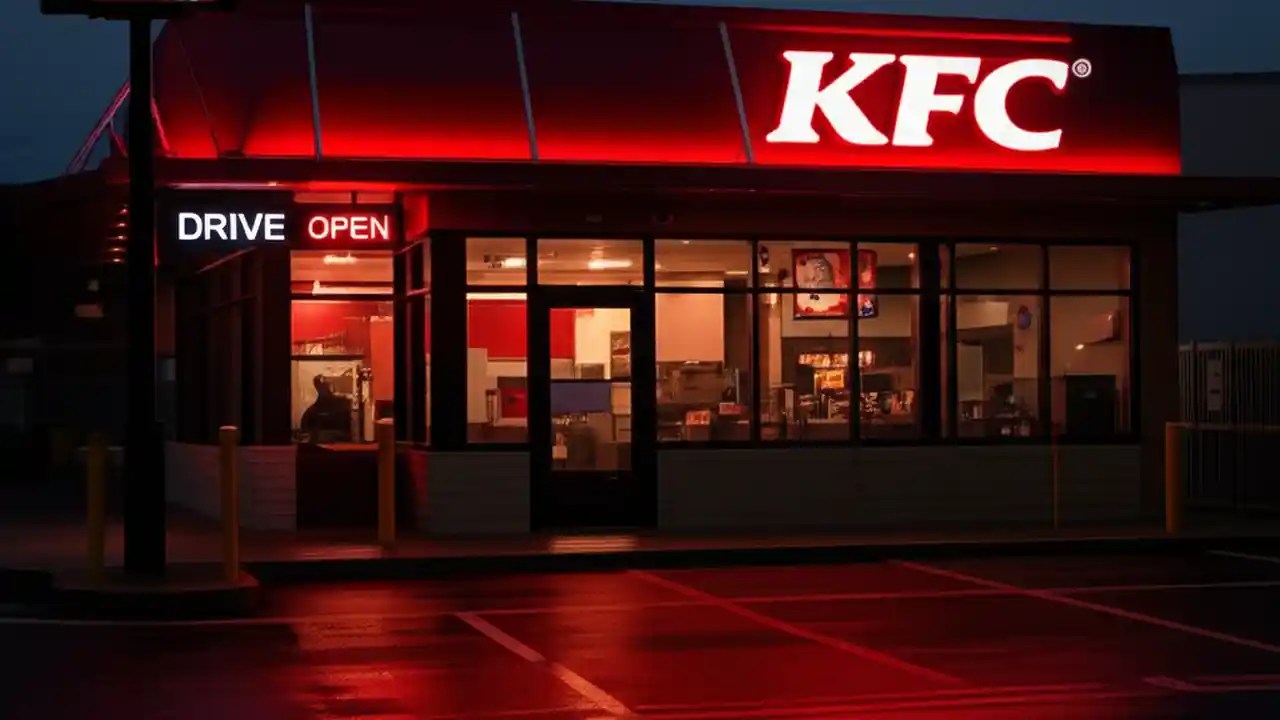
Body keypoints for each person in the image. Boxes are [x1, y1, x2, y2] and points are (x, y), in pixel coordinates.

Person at [300, 375, 352, 442]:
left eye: (325, 385)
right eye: (322, 386)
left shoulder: (342, 404)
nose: (324, 388)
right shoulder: (311, 413)